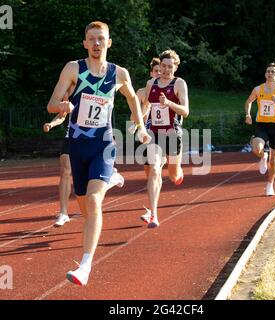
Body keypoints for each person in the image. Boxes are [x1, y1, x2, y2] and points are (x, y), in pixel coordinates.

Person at [47, 21, 150, 286]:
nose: (96, 44)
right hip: (77, 145)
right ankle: (112, 178)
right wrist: (63, 105)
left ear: (108, 42)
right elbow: (51, 105)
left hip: (103, 144)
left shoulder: (119, 74)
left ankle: (85, 265)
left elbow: (131, 99)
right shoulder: (73, 69)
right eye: (91, 39)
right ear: (84, 43)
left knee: (93, 202)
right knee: (82, 204)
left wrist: (140, 127)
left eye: (100, 39)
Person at [140, 49, 189, 228]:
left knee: (174, 175)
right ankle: (154, 214)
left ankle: (178, 172)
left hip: (172, 132)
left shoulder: (179, 83)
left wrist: (168, 103)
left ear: (175, 68)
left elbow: (186, 111)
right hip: (153, 133)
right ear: (159, 66)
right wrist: (138, 121)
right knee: (154, 169)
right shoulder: (151, 83)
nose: (166, 70)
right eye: (163, 66)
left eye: (170, 67)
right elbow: (146, 107)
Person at [244, 62, 275, 196]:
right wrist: (248, 114)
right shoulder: (258, 89)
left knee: (274, 160)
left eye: (273, 71)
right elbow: (248, 102)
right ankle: (263, 155)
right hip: (262, 125)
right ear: (265, 74)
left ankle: (270, 185)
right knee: (256, 149)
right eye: (268, 71)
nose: (270, 73)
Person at [43, 111, 72, 227]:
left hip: (94, 136)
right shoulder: (69, 93)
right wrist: (51, 124)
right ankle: (63, 212)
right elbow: (62, 115)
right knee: (65, 171)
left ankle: (110, 175)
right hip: (72, 135)